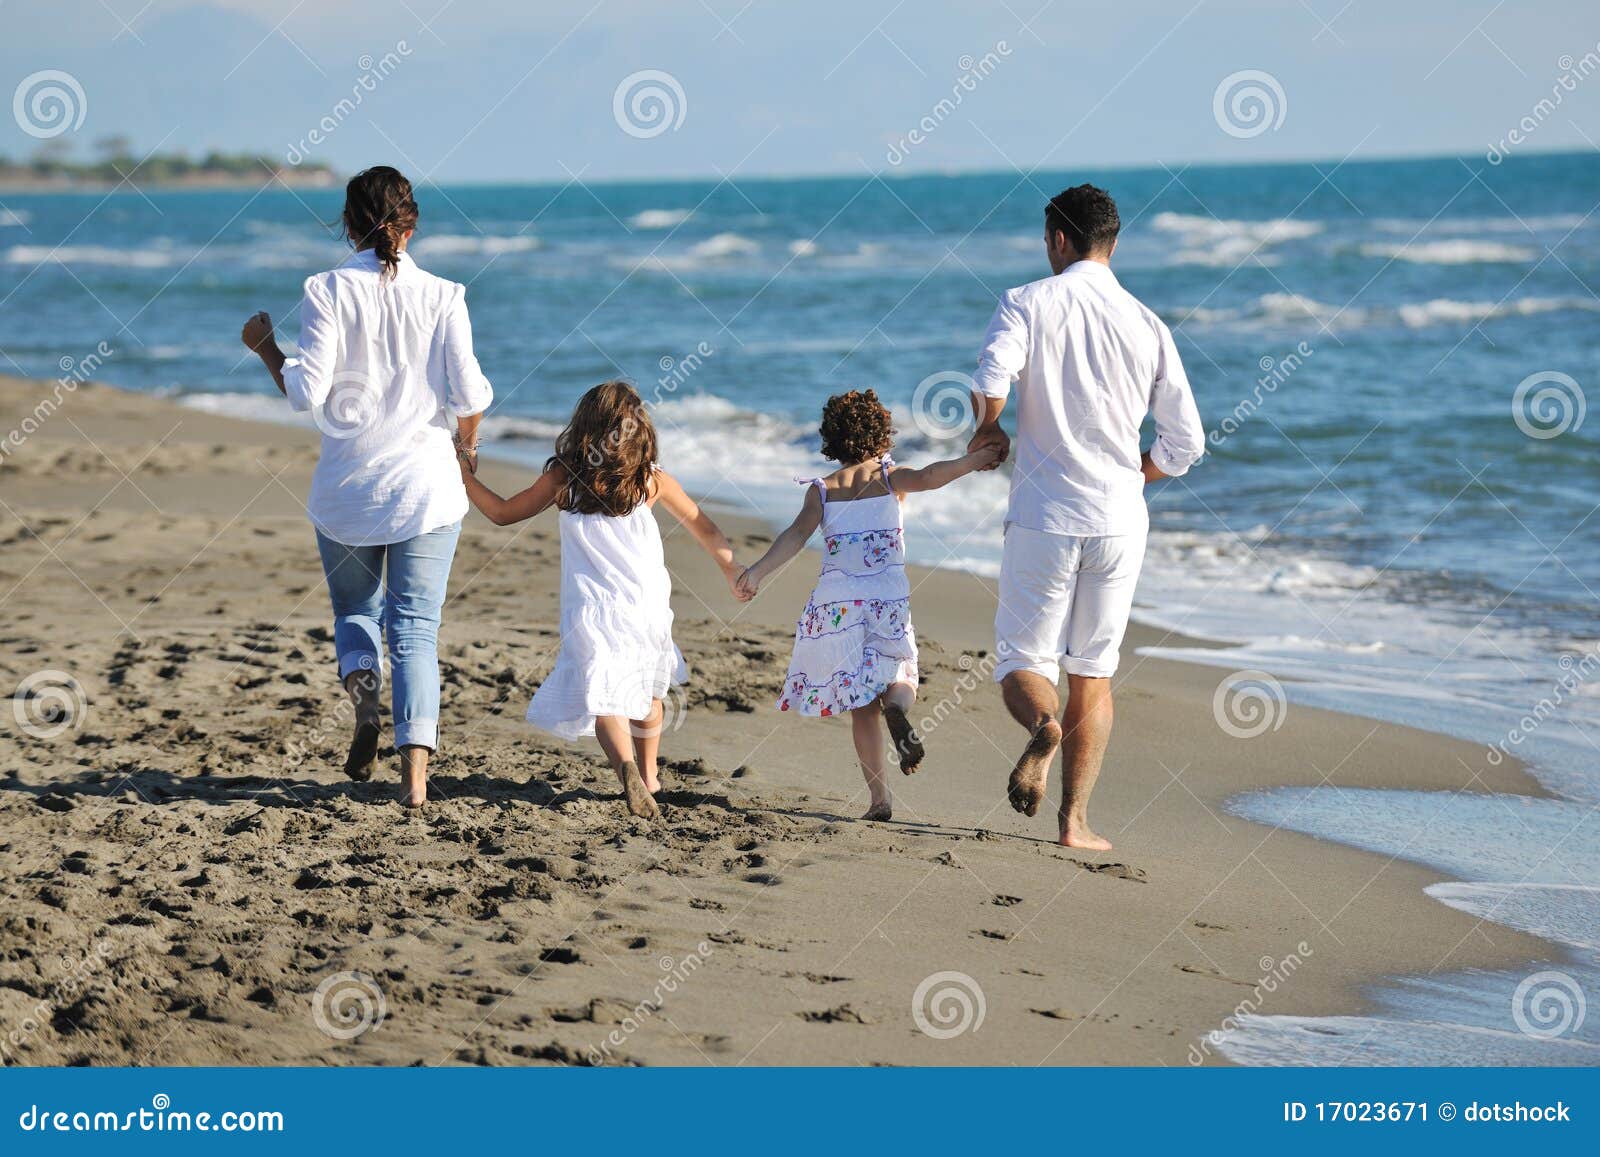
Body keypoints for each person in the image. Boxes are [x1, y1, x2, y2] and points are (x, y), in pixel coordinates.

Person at [240, 165, 492, 809]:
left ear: (349, 226)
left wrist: (268, 348)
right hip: (427, 492)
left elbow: (304, 393)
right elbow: (470, 396)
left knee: (355, 615)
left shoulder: (326, 289)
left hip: (347, 493)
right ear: (411, 225)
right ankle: (414, 785)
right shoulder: (445, 294)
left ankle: (364, 705)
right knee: (415, 630)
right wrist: (465, 450)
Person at [968, 183, 1205, 850]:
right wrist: (1139, 474)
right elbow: (1187, 441)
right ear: (1114, 242)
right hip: (1119, 521)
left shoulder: (1027, 302)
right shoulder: (1147, 323)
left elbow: (991, 380)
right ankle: (1074, 825)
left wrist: (989, 432)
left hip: (1045, 514)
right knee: (1093, 672)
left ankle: (1042, 726)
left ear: (1060, 241)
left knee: (1021, 661)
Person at [459, 381, 740, 821]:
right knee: (647, 691)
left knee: (604, 696)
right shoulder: (651, 480)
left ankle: (624, 768)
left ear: (585, 427)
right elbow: (703, 527)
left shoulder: (563, 478)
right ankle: (649, 777)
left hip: (590, 607)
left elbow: (501, 513)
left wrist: (465, 475)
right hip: (645, 604)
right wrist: (731, 569)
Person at [735, 389, 998, 821]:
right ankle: (898, 708)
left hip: (836, 605)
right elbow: (932, 475)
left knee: (860, 705)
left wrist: (758, 573)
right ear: (883, 436)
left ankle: (880, 799)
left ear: (830, 442)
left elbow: (795, 537)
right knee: (901, 673)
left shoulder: (821, 491)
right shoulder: (890, 478)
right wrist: (973, 460)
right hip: (887, 596)